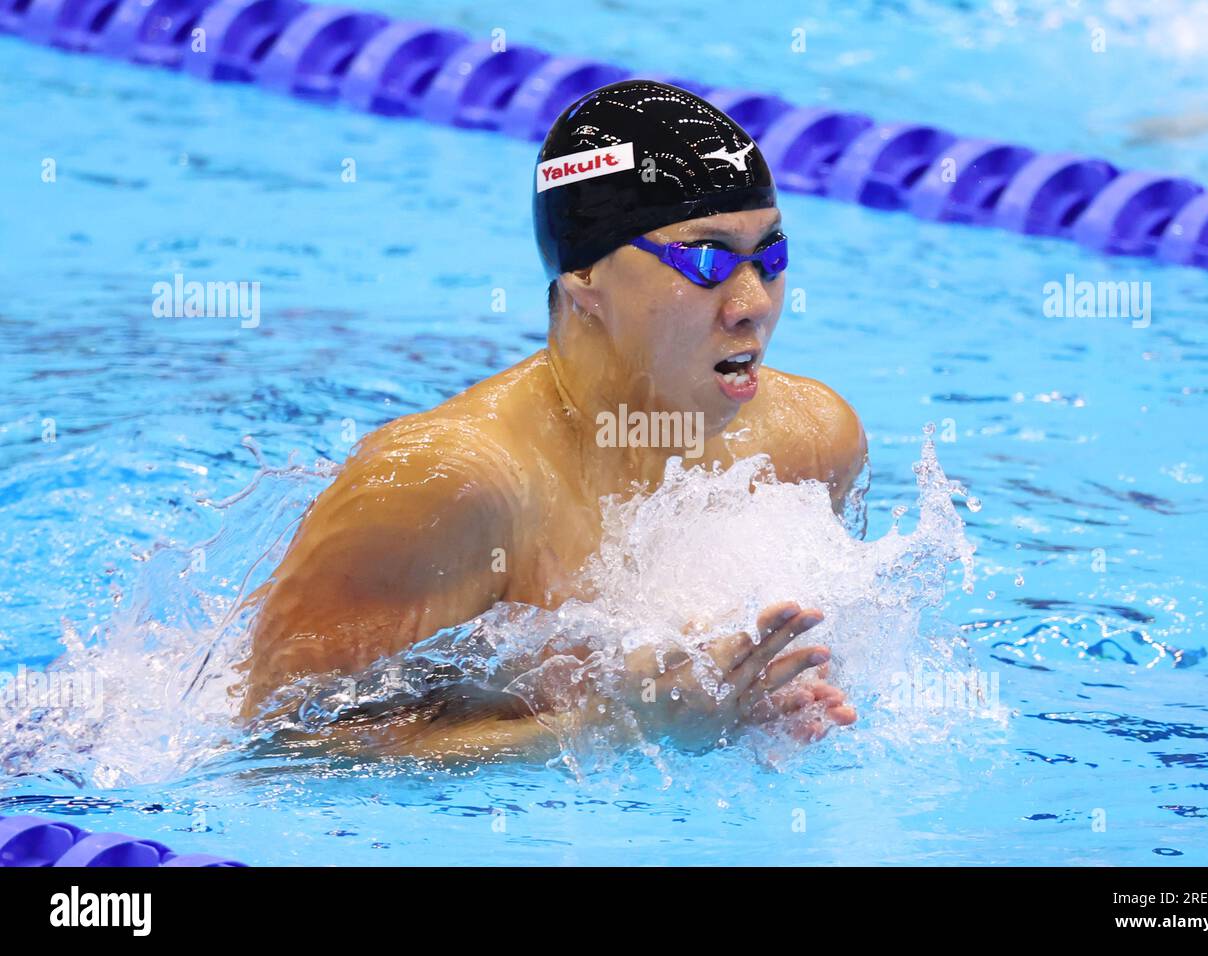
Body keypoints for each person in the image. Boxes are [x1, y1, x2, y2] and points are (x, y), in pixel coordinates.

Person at [239, 80, 868, 764]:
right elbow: (277, 748)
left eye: (770, 256)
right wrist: (615, 729)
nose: (752, 304)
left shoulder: (812, 438)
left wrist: (779, 699)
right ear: (584, 278)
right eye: (708, 260)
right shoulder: (449, 483)